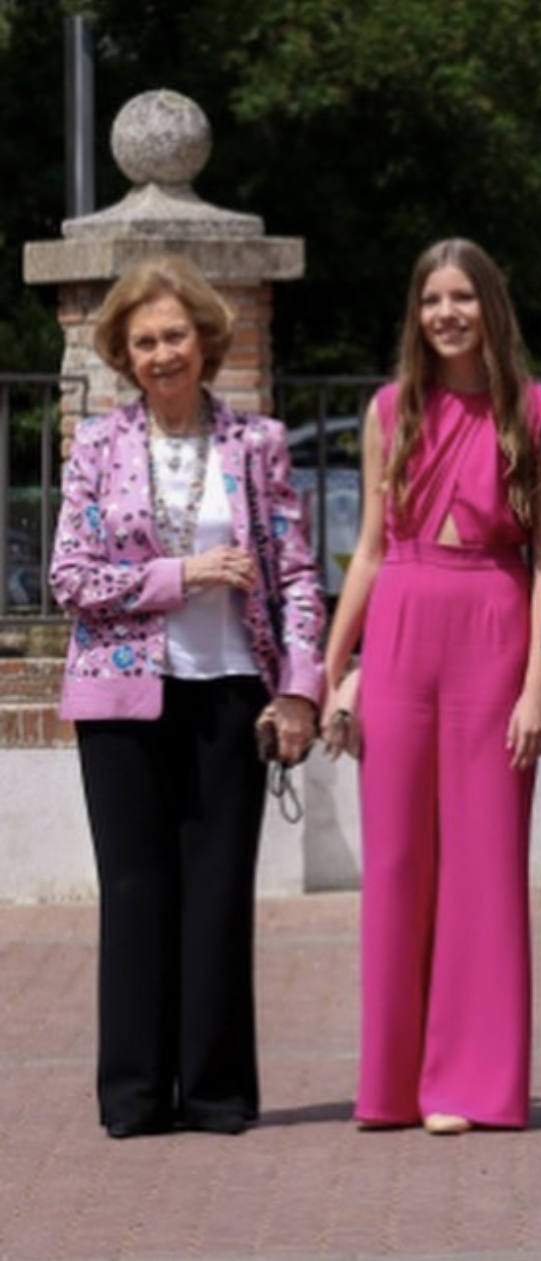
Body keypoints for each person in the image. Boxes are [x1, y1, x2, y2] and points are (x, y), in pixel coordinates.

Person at [50, 254, 325, 1138]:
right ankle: (134, 1096)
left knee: (218, 892)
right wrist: (183, 574)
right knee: (135, 892)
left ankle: (215, 1092)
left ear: (205, 340)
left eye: (175, 336)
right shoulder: (98, 445)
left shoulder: (258, 442)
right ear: (123, 355)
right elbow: (70, 577)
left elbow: (297, 577)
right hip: (120, 699)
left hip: (230, 692)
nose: (163, 353)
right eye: (144, 342)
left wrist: (300, 690)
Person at [321, 238, 541, 1134]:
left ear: (490, 304)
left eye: (461, 297)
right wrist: (332, 672)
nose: (446, 314)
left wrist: (537, 683)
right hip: (402, 629)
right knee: (395, 861)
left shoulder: (538, 410)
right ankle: (392, 1084)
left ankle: (471, 1084)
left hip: (495, 626)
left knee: (485, 861)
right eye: (430, 300)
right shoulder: (391, 408)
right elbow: (369, 552)